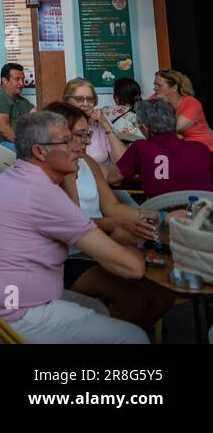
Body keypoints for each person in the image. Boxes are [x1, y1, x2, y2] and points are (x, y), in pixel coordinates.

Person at [0, 109, 149, 343]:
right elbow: (132, 269)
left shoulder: (13, 177)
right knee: (134, 337)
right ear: (40, 151)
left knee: (98, 310)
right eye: (67, 142)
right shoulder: (43, 195)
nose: (77, 147)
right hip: (9, 317)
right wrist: (131, 239)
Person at [49, 101, 172, 331]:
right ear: (61, 135)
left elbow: (113, 206)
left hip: (100, 243)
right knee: (134, 298)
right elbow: (72, 225)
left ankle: (127, 333)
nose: (87, 141)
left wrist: (154, 216)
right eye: (80, 135)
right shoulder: (55, 171)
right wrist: (119, 226)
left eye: (88, 134)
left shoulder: (87, 162)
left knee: (164, 294)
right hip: (70, 256)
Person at [105, 98, 213, 200]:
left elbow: (113, 179)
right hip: (204, 213)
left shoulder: (141, 147)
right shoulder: (201, 148)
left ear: (145, 128)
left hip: (161, 212)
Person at [62, 78, 122, 185]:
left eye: (90, 99)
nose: (85, 104)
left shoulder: (99, 125)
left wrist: (106, 126)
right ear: (66, 100)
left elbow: (124, 163)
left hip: (103, 184)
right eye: (79, 99)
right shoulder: (58, 127)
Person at [152, 69, 213, 152]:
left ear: (174, 88)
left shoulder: (192, 103)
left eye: (159, 85)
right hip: (180, 148)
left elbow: (177, 126)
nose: (154, 88)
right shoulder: (156, 97)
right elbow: (142, 117)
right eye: (155, 85)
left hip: (204, 149)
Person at [0, 62, 32, 151]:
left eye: (23, 79)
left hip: (10, 143)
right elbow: (5, 130)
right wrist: (27, 146)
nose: (22, 83)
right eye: (17, 79)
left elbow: (39, 117)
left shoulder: (20, 100)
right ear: (4, 80)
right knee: (34, 153)